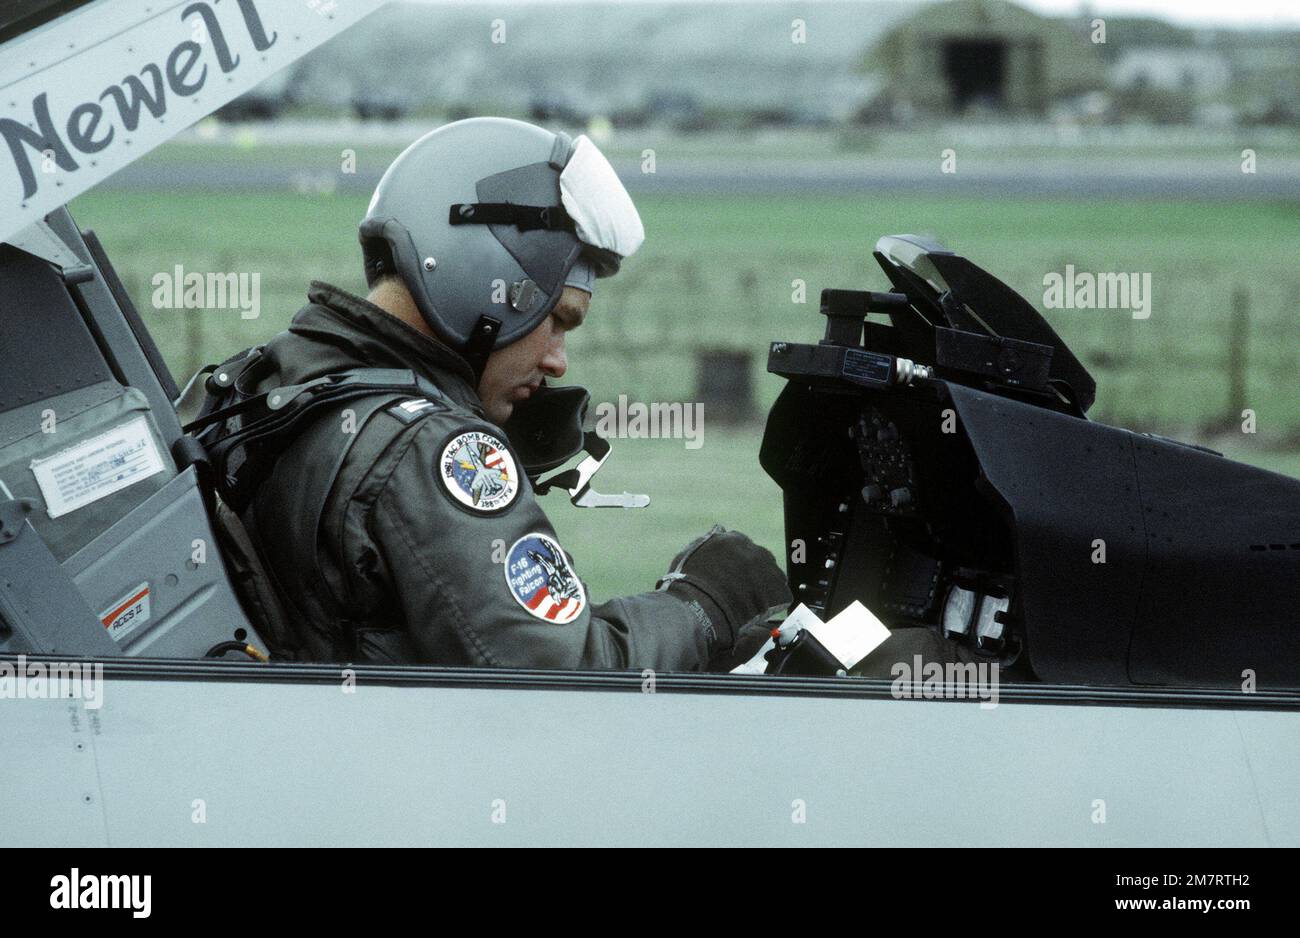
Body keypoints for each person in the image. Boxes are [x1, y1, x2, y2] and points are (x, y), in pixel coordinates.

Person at [237, 116, 790, 668]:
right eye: (557, 320)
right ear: (486, 279)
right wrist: (703, 606)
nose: (557, 360)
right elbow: (561, 676)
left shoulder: (273, 383)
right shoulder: (428, 449)